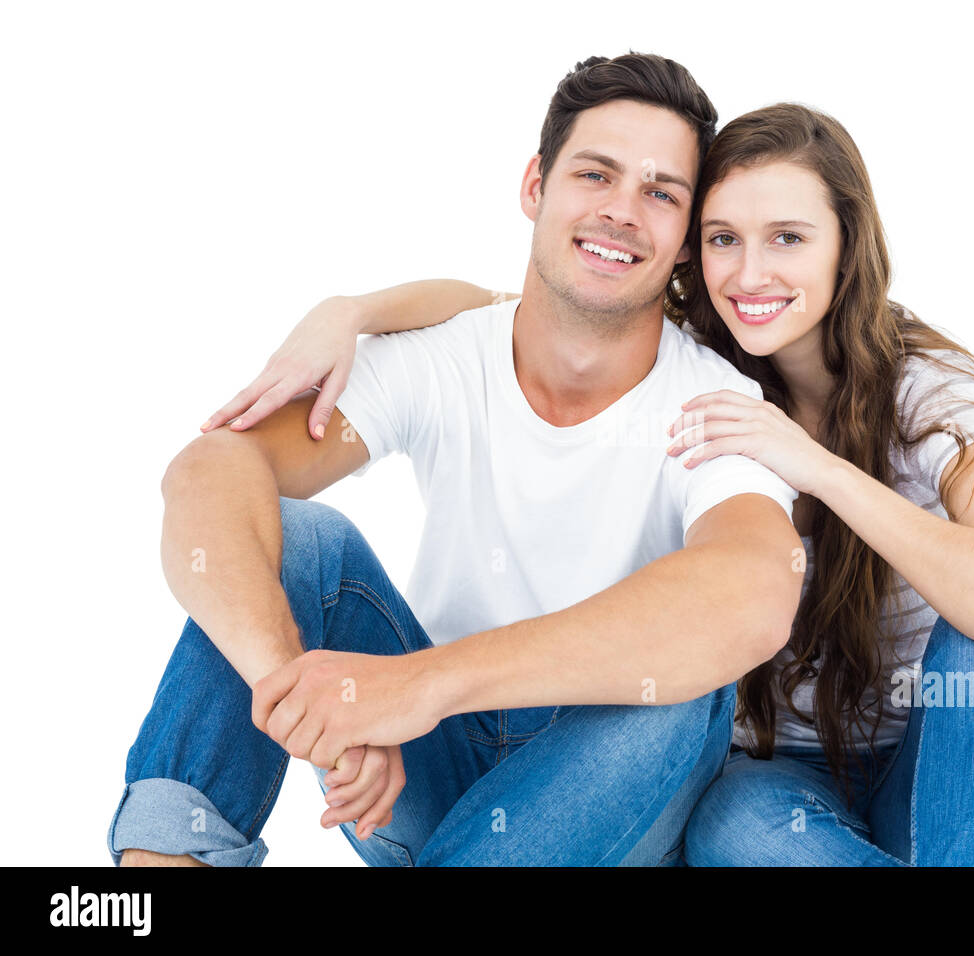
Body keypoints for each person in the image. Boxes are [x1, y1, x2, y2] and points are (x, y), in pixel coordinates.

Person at [216, 102, 974, 866]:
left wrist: (821, 470)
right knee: (734, 828)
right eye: (724, 238)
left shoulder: (930, 390)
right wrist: (352, 311)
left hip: (951, 760)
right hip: (779, 774)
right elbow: (513, 303)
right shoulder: (702, 358)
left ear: (849, 244)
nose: (751, 274)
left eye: (790, 238)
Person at [109, 52, 808, 868]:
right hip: (426, 769)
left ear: (686, 242)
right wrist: (301, 693)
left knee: (685, 689)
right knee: (300, 542)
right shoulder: (446, 357)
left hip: (602, 793)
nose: (623, 212)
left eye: (660, 194)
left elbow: (753, 593)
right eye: (595, 175)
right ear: (534, 187)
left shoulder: (714, 403)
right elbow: (211, 473)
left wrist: (421, 686)